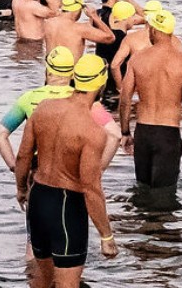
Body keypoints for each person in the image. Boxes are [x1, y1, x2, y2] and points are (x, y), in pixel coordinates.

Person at [17, 54, 120, 287]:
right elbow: (90, 188)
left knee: (42, 283)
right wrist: (107, 236)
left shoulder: (43, 109)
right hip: (66, 207)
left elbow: (23, 155)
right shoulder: (92, 130)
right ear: (101, 84)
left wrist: (21, 189)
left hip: (39, 198)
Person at [118, 7, 182, 202]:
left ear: (154, 31)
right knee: (164, 197)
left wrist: (125, 132)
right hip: (168, 134)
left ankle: (143, 228)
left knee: (142, 192)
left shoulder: (137, 59)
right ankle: (160, 229)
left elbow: (125, 98)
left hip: (143, 133)